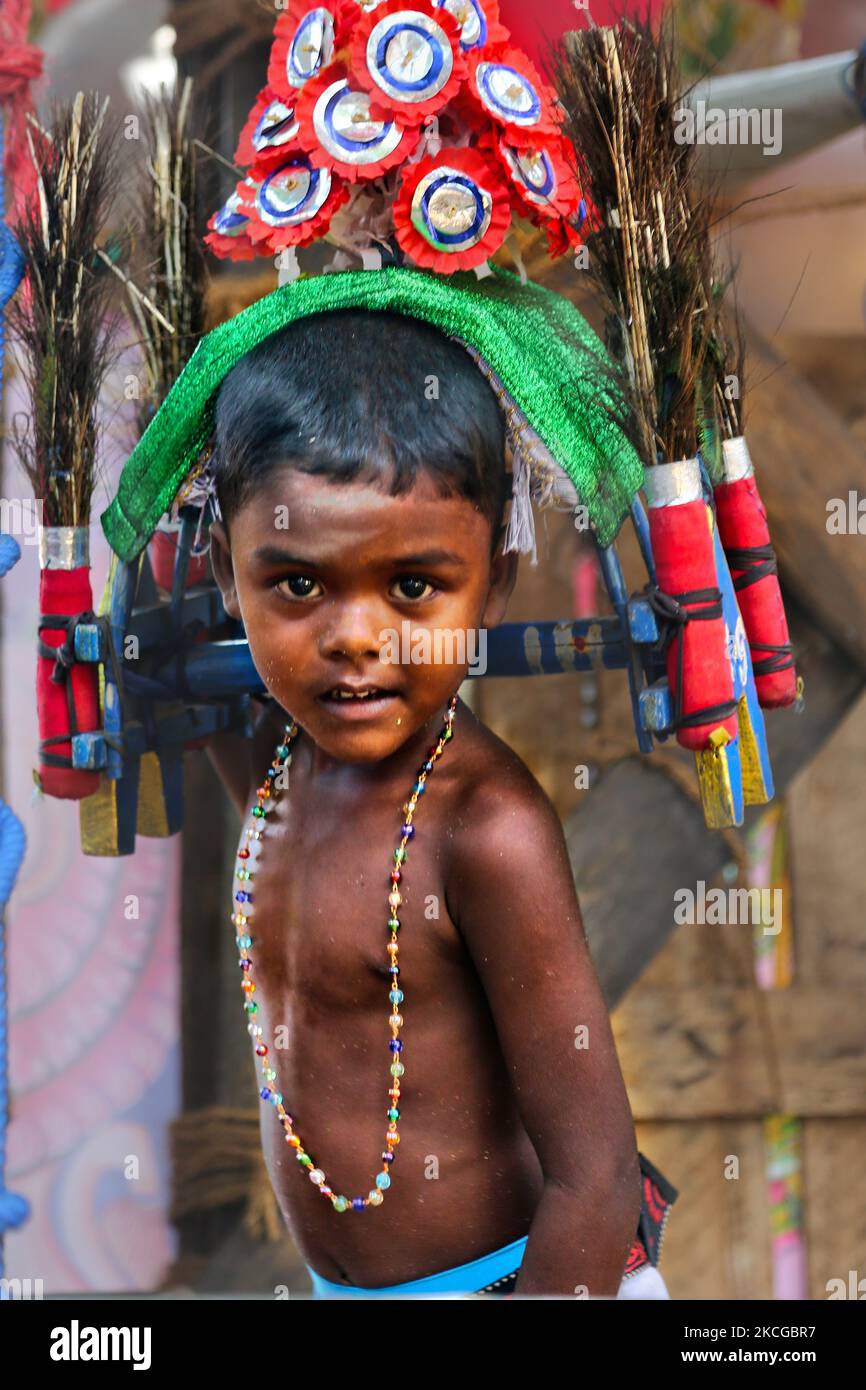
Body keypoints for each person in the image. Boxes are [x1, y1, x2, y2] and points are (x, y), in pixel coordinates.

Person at [201, 306, 677, 1300]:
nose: (356, 639)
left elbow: (593, 1181)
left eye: (413, 585)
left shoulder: (483, 829)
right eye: (294, 584)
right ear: (223, 574)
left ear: (492, 587)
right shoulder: (276, 765)